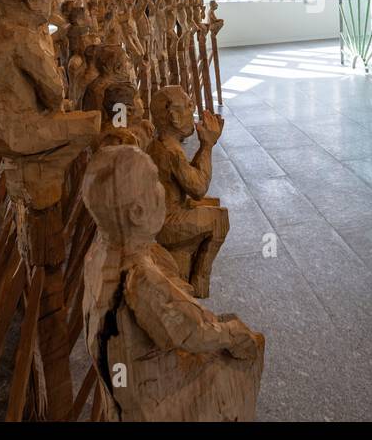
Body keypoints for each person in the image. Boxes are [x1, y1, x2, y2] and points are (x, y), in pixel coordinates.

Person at [82, 145, 264, 421]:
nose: (162, 191)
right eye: (155, 183)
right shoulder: (139, 277)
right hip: (154, 402)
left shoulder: (98, 254)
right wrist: (236, 335)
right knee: (248, 349)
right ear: (137, 212)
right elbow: (193, 332)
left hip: (124, 389)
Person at [147, 85, 227, 299]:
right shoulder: (171, 151)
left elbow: (187, 181)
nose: (194, 112)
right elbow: (199, 188)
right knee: (220, 219)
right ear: (173, 117)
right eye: (188, 106)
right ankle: (199, 281)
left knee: (214, 204)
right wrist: (207, 145)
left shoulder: (161, 144)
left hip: (164, 213)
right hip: (167, 223)